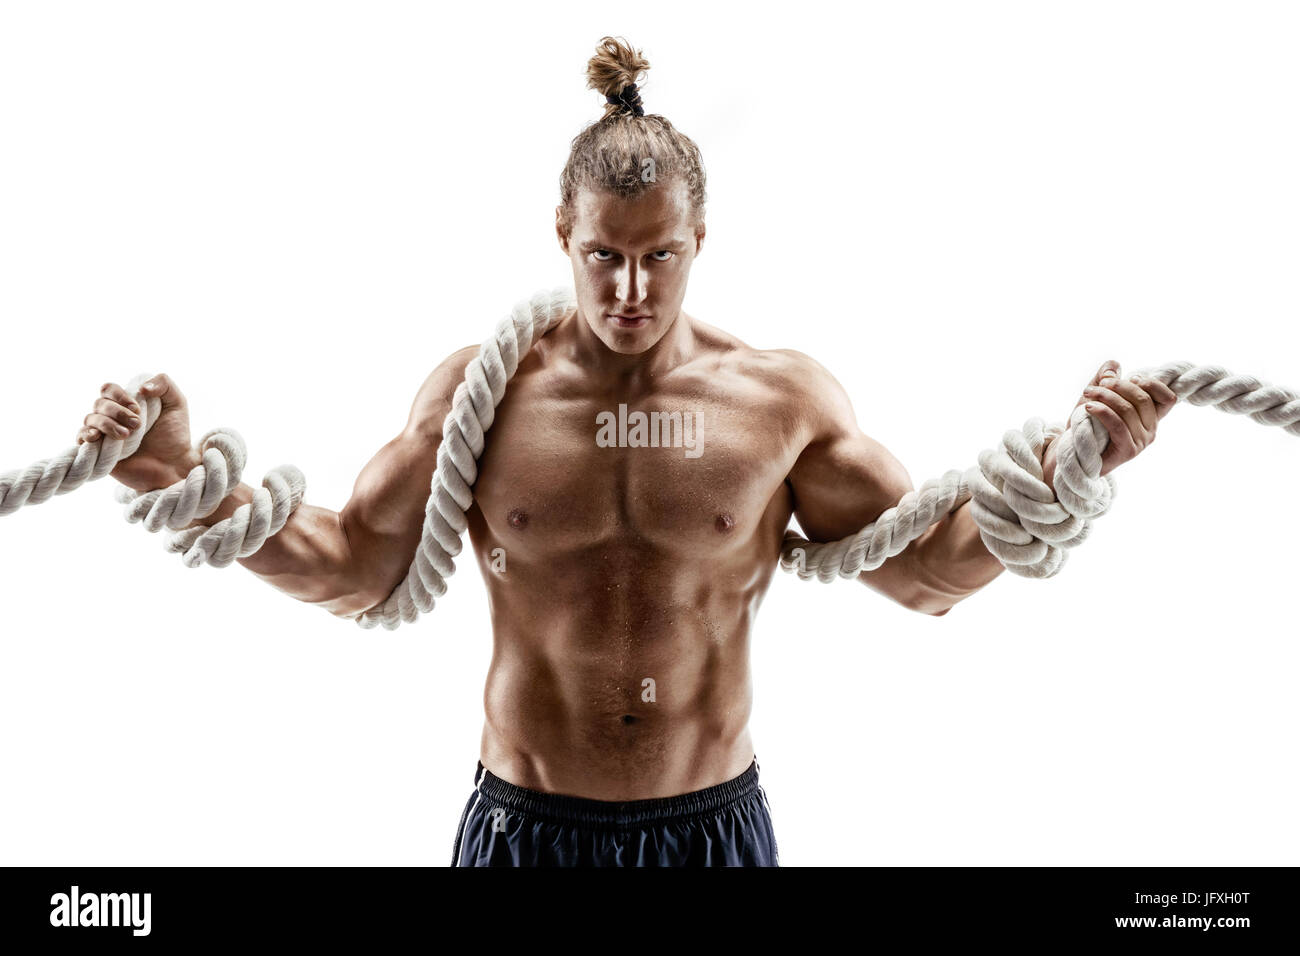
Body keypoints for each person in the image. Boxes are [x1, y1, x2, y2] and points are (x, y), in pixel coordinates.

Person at [73, 36, 1177, 866]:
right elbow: (357, 565)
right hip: (523, 825)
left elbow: (929, 571)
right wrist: (178, 481)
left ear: (702, 240)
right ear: (562, 232)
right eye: (603, 255)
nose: (632, 290)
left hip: (712, 825)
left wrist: (1063, 474)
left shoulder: (776, 402)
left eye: (661, 256)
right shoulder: (480, 395)